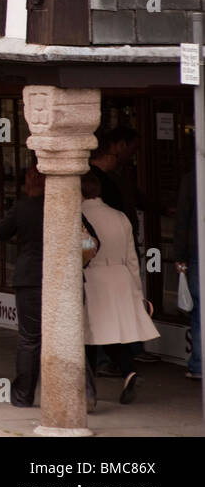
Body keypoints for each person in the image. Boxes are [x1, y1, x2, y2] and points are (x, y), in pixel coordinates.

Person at [81, 171, 159, 404]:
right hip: (121, 275)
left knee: (89, 334)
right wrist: (137, 290)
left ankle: (89, 389)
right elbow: (132, 257)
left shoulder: (78, 214)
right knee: (114, 333)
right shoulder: (120, 216)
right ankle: (128, 371)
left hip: (92, 275)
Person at [0, 163, 44, 407]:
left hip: (30, 278)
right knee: (71, 336)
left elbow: (0, 232)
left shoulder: (22, 208)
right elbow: (91, 241)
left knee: (29, 339)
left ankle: (23, 396)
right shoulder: (67, 206)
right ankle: (85, 394)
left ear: (27, 184)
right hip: (63, 280)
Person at [175, 169, 201, 381]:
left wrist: (179, 256)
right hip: (195, 252)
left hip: (197, 252)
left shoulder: (191, 177)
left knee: (200, 312)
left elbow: (182, 218)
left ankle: (199, 364)